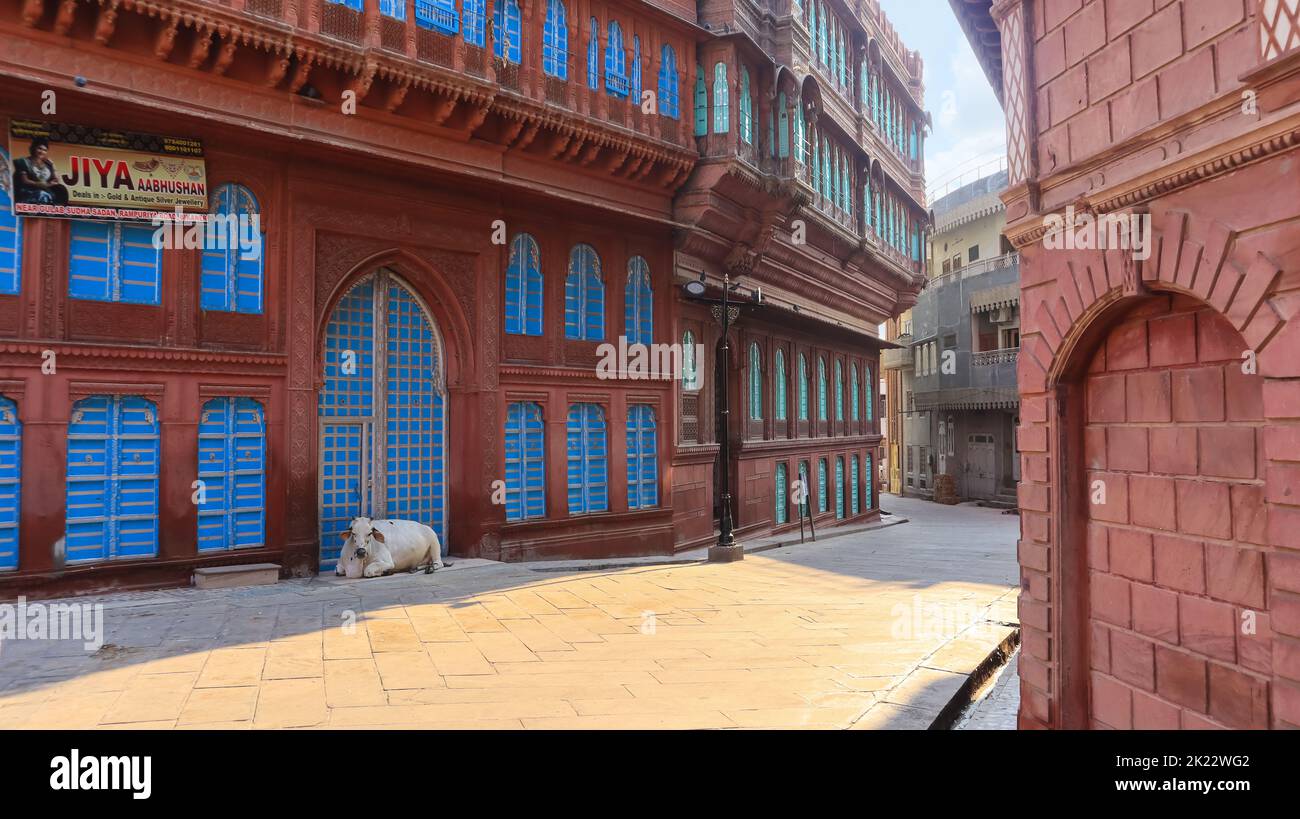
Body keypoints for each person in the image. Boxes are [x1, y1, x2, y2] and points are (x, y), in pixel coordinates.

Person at [13, 138, 66, 205]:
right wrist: (38, 184)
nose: (42, 152)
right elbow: (24, 180)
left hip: (46, 190)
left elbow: (56, 181)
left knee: (61, 191)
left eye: (45, 150)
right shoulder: (23, 162)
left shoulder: (48, 164)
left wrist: (53, 165)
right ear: (33, 148)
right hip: (29, 191)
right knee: (42, 194)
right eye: (39, 148)